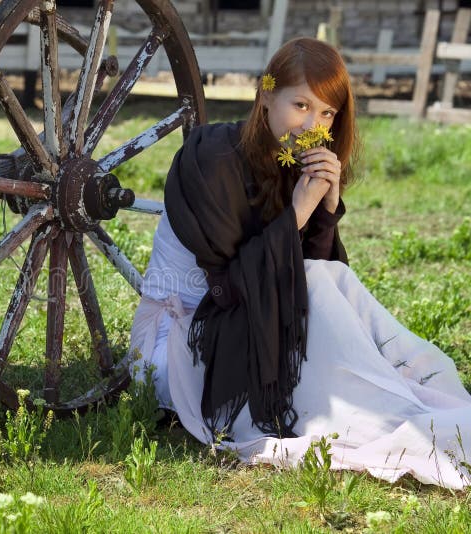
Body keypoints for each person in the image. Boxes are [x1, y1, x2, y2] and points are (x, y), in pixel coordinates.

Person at [129, 37, 471, 489]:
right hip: (183, 345)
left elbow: (311, 284)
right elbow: (229, 290)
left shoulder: (291, 160)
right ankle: (391, 413)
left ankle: (405, 396)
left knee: (332, 281)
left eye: (327, 113)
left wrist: (324, 209)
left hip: (258, 326)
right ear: (265, 96)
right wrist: (298, 214)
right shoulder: (212, 157)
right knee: (320, 287)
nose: (313, 126)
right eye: (302, 105)